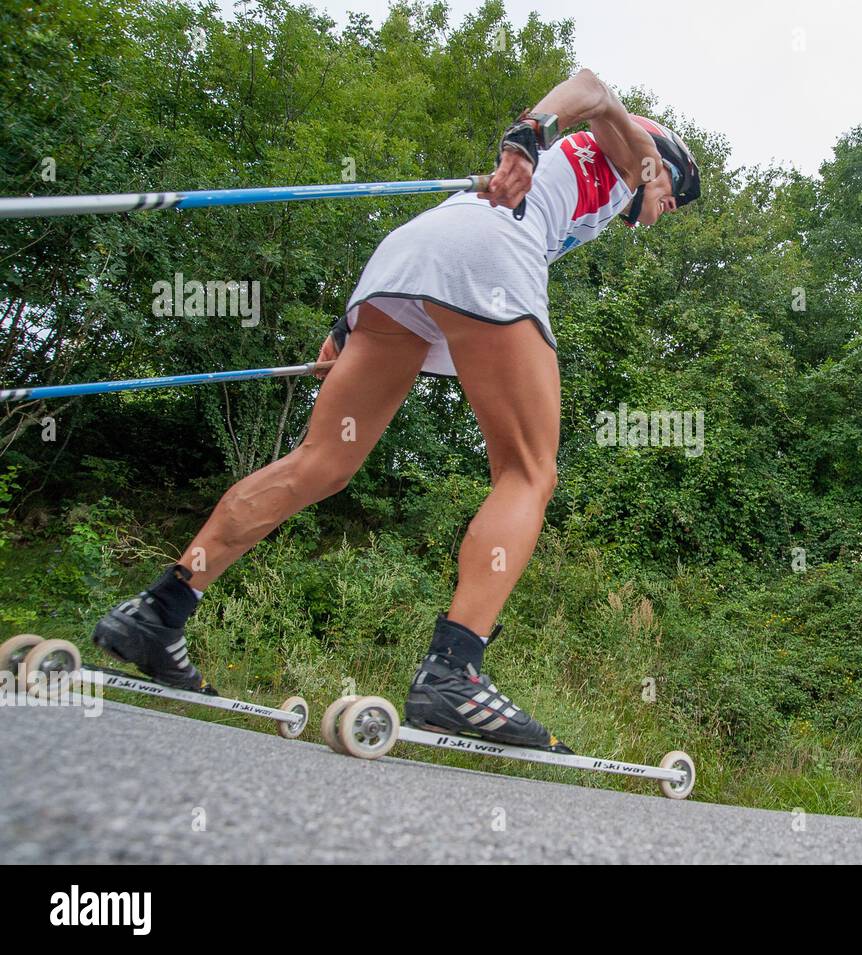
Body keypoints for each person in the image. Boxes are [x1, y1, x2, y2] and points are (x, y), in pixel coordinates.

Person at [91, 69, 701, 752]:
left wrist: (349, 328)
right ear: (665, 164)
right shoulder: (628, 158)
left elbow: (457, 226)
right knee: (530, 472)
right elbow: (591, 88)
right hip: (489, 259)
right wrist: (527, 137)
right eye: (678, 196)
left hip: (406, 263)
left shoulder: (579, 177)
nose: (667, 210)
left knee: (321, 462)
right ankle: (454, 670)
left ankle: (158, 611)